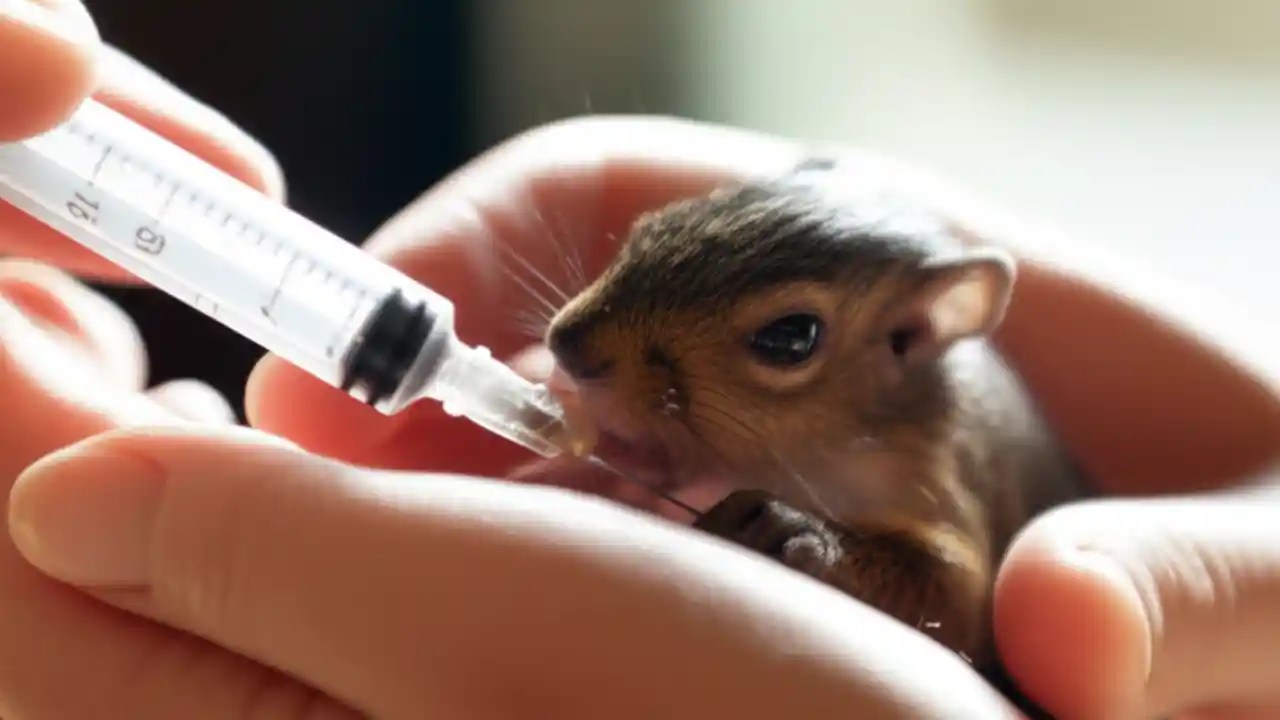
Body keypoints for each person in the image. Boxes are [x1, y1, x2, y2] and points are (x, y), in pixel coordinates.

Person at [2, 3, 1279, 718]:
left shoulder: (921, 461)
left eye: (781, 341)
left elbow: (943, 594)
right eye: (636, 257)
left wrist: (798, 547)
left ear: (913, 340)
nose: (575, 344)